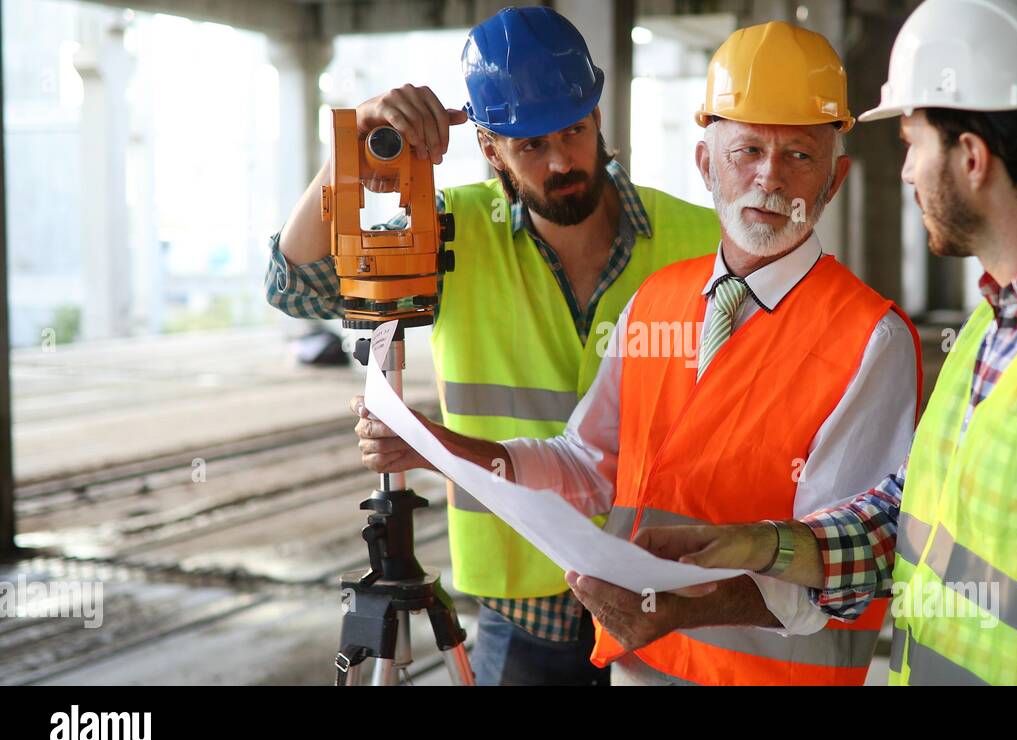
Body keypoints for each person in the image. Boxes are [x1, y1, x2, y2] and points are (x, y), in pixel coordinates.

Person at [635, 0, 1017, 686]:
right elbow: (910, 519)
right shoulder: (998, 319)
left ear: (972, 158)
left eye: (912, 143)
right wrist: (761, 543)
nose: (903, 172)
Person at [352, 21, 922, 685]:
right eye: (747, 150)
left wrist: (680, 609)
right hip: (640, 669)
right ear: (707, 163)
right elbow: (588, 463)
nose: (770, 177)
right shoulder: (659, 299)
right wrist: (438, 447)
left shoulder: (868, 338)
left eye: (799, 155)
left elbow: (842, 566)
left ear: (834, 179)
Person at [267, 6, 720, 685]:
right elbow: (294, 285)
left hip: (662, 586)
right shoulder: (453, 232)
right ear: (489, 147)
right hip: (522, 601)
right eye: (531, 145)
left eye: (573, 130)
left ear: (597, 117)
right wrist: (352, 140)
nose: (562, 159)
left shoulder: (697, 239)